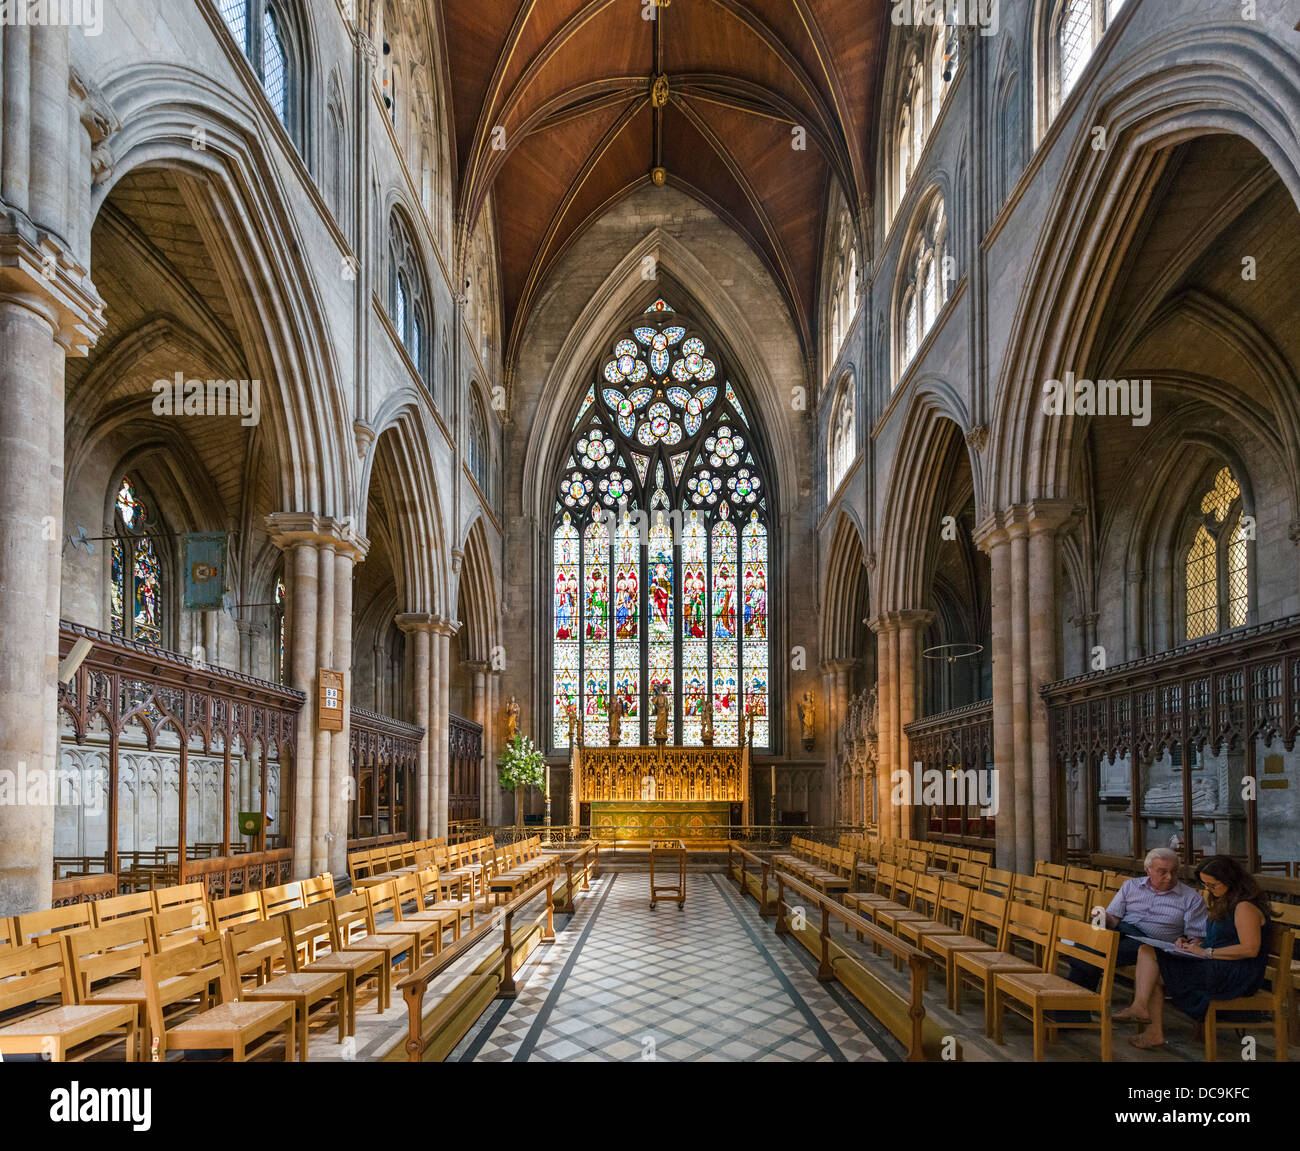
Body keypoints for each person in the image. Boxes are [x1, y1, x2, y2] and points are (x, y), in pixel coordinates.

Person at [1116, 855, 1272, 1050]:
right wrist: (1190, 944)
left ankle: (1148, 1024)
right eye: (1205, 884)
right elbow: (1220, 938)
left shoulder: (1244, 907)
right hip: (1216, 964)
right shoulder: (1227, 901)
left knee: (1154, 966)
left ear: (1230, 881)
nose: (1208, 890)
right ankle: (1145, 1017)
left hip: (1234, 974)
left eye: (1212, 885)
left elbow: (1249, 949)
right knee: (1148, 952)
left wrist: (1207, 952)